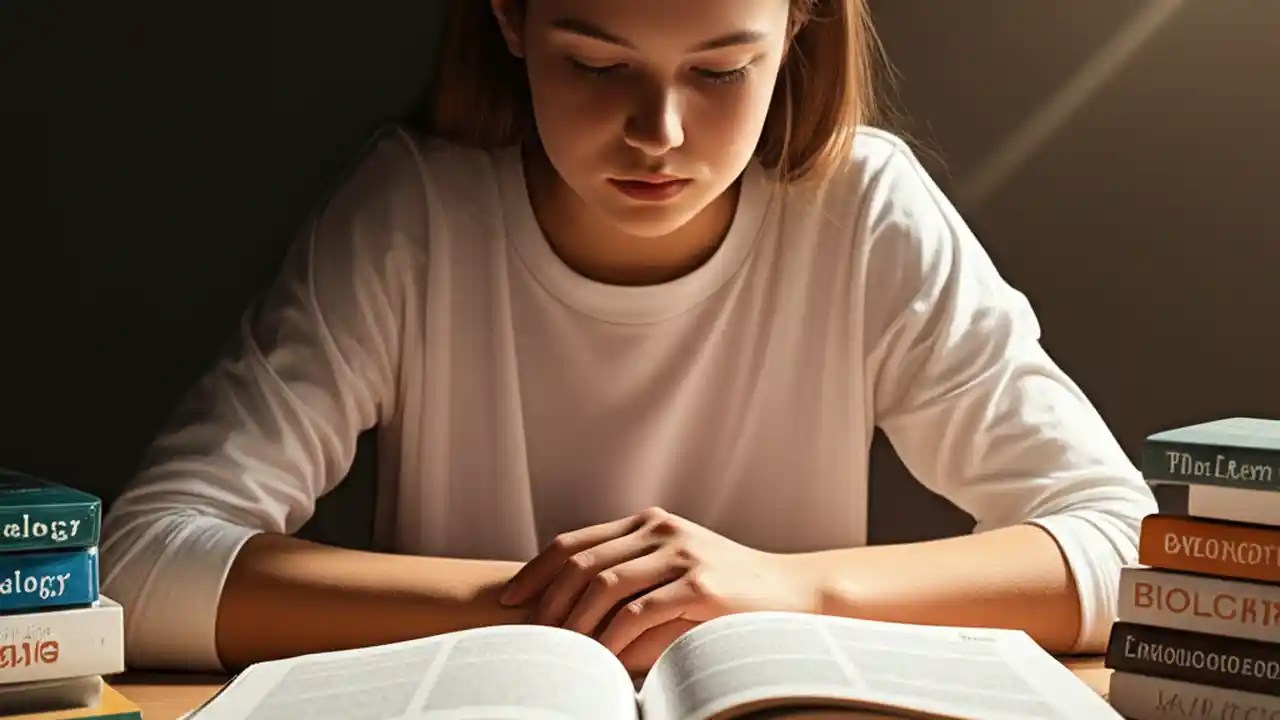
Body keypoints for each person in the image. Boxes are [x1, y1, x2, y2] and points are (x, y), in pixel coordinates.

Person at [101, 0, 1158, 675]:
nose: (657, 133)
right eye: (598, 65)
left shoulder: (861, 210)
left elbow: (1124, 549)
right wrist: (548, 604)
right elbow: (140, 567)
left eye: (717, 71)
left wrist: (782, 589)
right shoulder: (416, 214)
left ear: (795, 27)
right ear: (510, 20)